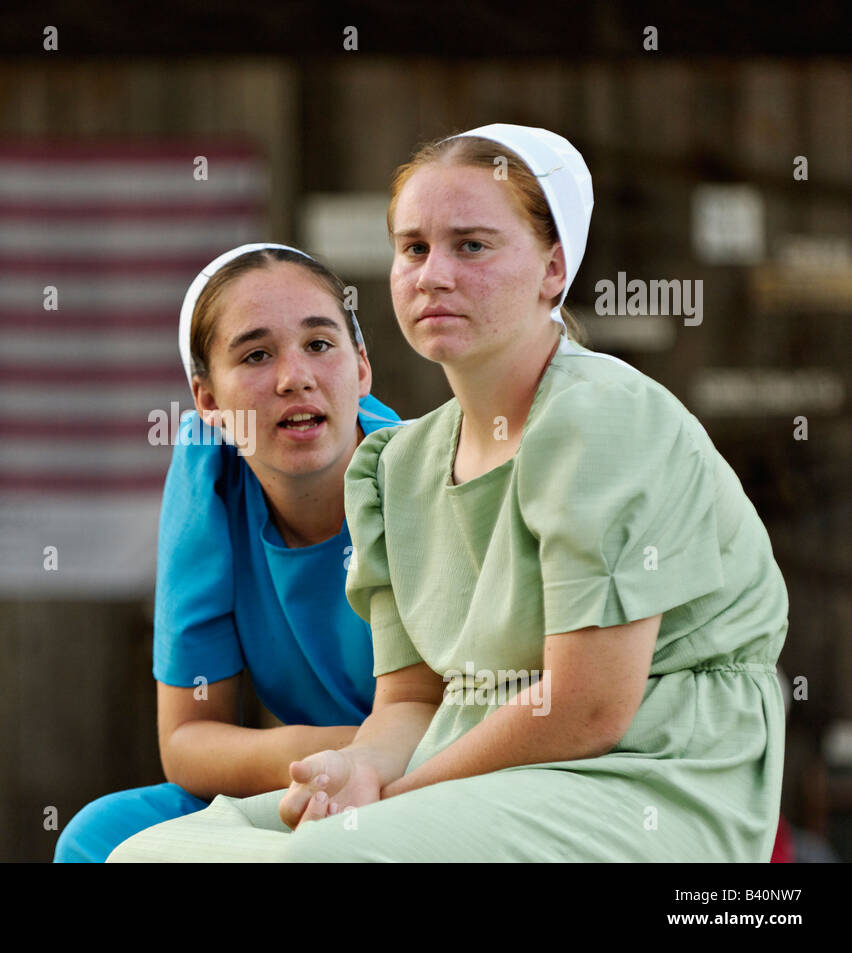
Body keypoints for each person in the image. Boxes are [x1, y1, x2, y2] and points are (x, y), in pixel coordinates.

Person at [107, 124, 789, 862]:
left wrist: (394, 800)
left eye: (471, 245)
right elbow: (412, 703)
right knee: (151, 854)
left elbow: (587, 706)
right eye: (413, 248)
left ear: (553, 268)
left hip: (649, 772)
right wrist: (356, 769)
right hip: (477, 768)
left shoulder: (605, 416)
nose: (433, 274)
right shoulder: (398, 466)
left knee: (323, 858)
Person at [53, 243, 401, 862]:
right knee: (99, 836)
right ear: (208, 401)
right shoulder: (207, 485)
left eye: (320, 345)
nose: (295, 376)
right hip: (308, 776)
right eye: (257, 354)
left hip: (438, 770)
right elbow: (187, 738)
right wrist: (325, 758)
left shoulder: (421, 478)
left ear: (362, 368)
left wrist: (367, 759)